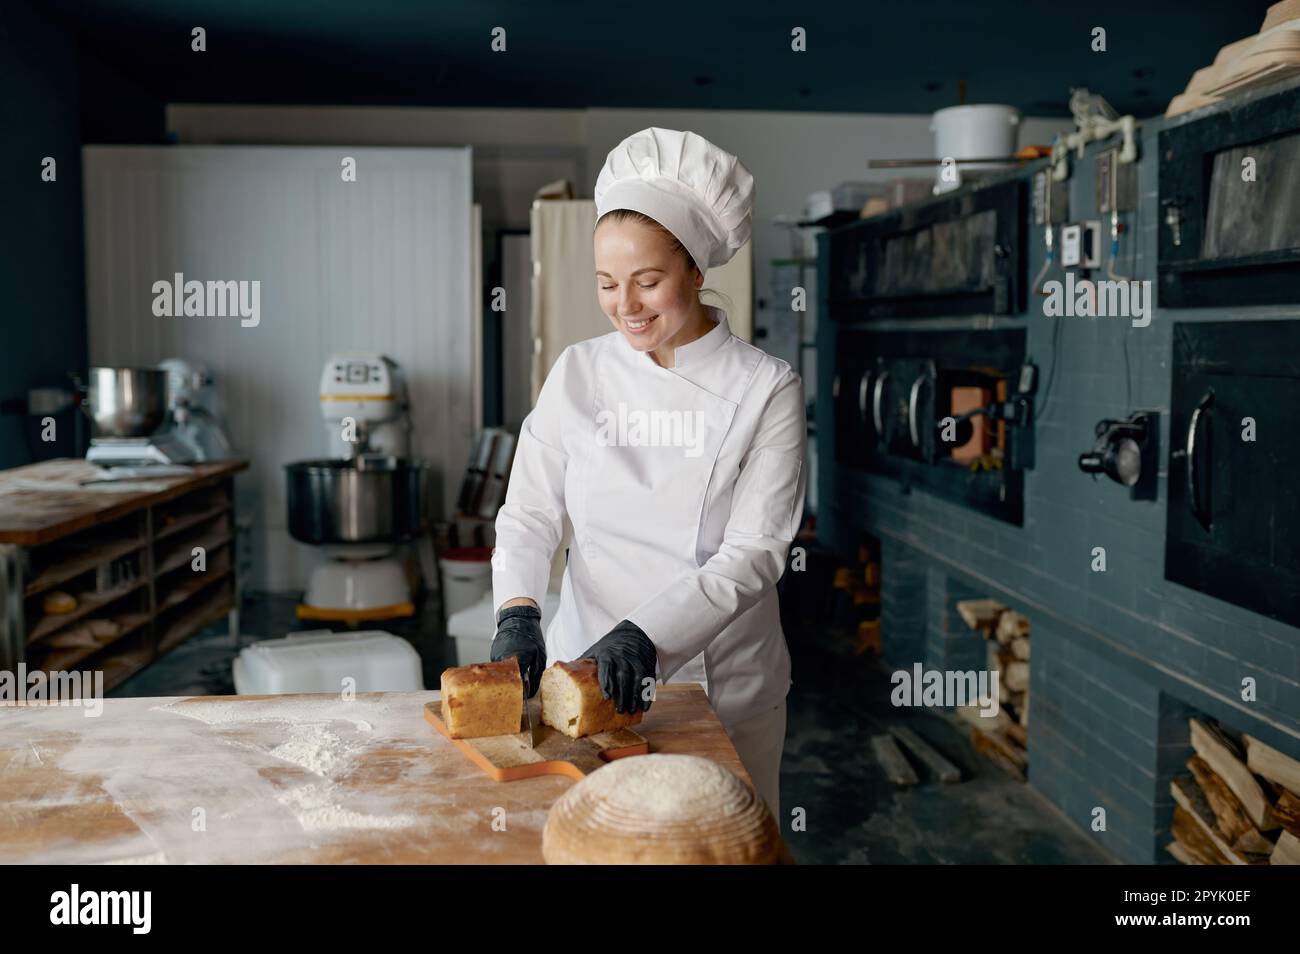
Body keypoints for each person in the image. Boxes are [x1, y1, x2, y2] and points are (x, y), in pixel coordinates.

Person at [490, 127, 805, 819]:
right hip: (584, 678)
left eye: (648, 281)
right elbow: (531, 511)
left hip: (721, 685)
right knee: (597, 844)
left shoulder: (765, 387)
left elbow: (754, 553)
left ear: (695, 269)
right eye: (607, 284)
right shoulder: (579, 371)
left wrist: (648, 635)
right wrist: (517, 610)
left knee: (722, 850)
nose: (625, 306)